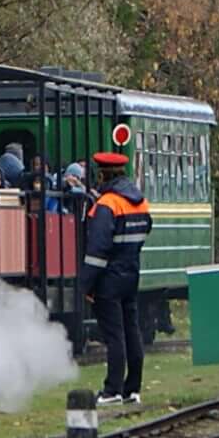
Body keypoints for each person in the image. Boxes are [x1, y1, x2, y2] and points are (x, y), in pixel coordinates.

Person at [76, 151, 151, 404]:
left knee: (114, 335)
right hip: (132, 272)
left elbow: (97, 249)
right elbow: (146, 228)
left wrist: (86, 284)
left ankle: (112, 390)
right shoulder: (139, 201)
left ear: (102, 174)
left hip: (109, 278)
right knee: (132, 330)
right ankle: (133, 388)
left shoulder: (108, 204)